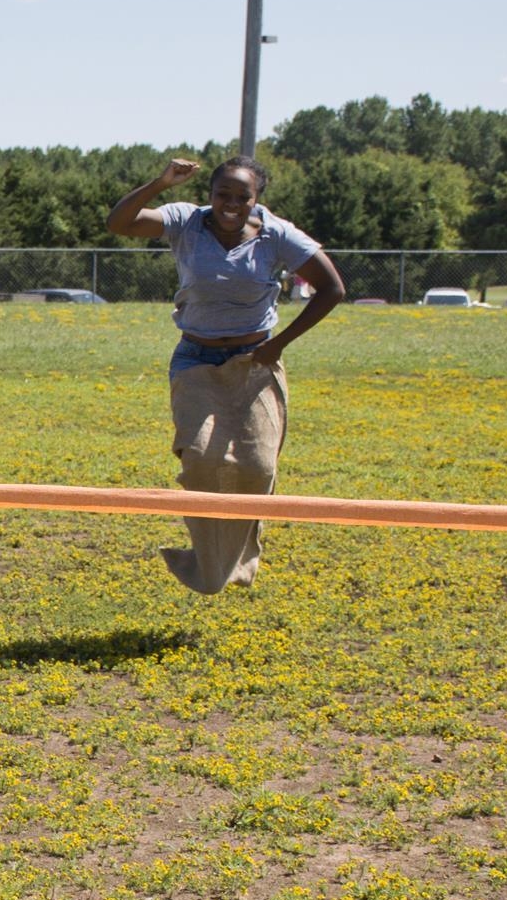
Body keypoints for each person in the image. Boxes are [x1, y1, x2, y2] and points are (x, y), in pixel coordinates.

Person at [107, 155, 345, 594]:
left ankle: (238, 559)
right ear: (211, 195)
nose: (231, 204)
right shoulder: (186, 221)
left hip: (254, 360)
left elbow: (333, 288)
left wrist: (277, 345)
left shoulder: (276, 235)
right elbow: (120, 223)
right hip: (196, 358)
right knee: (201, 462)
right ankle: (209, 564)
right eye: (223, 194)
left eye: (242, 196)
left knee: (257, 468)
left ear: (256, 200)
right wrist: (160, 183)